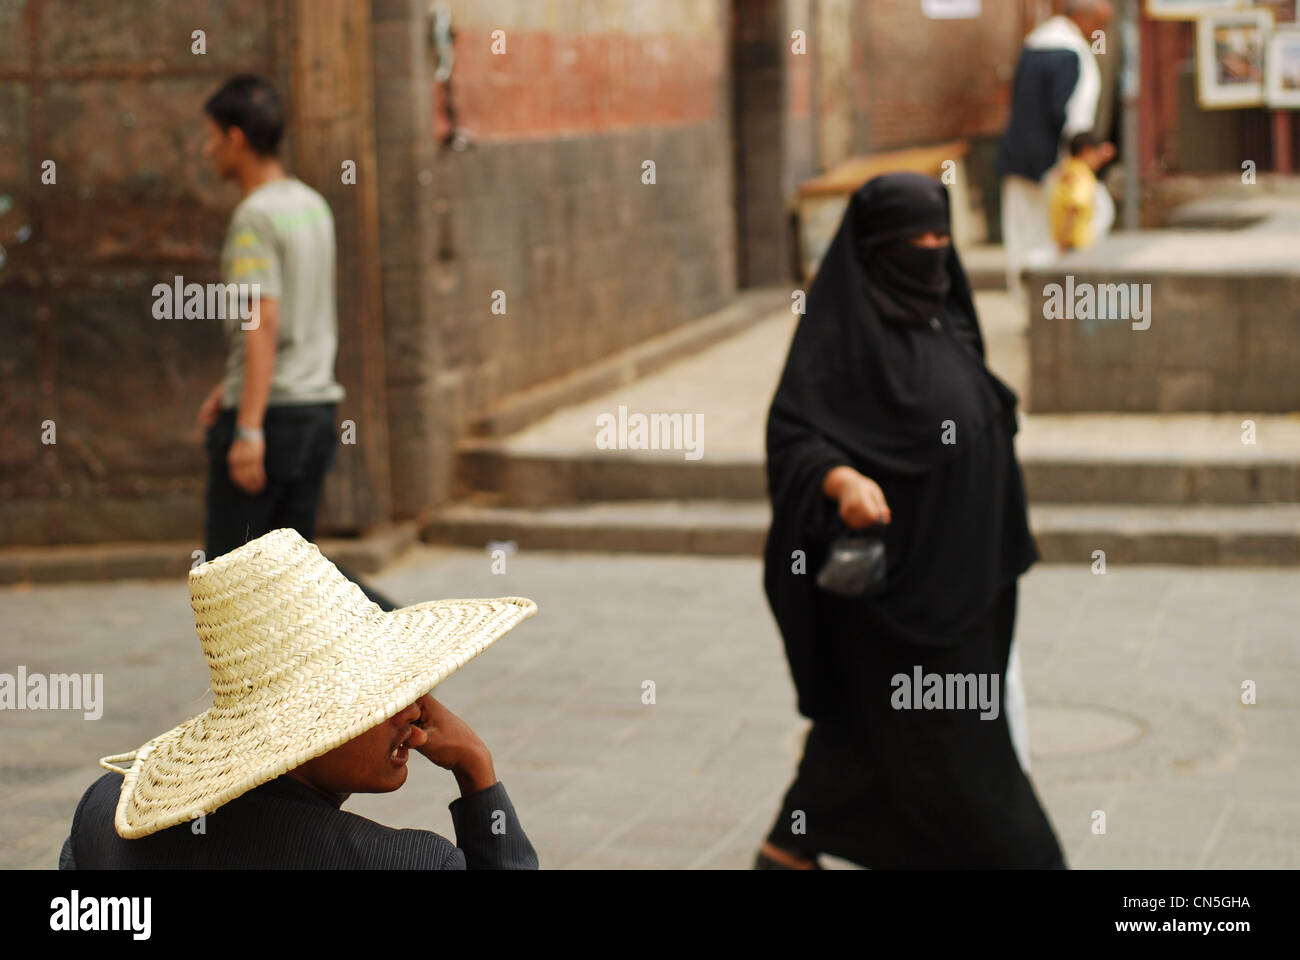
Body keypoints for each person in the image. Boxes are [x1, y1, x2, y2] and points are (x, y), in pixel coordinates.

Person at [757, 173, 1065, 870]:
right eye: (911, 241)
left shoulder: (947, 317)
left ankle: (788, 850)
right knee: (985, 798)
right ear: (872, 248)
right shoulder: (841, 337)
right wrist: (842, 480)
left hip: (972, 591)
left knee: (863, 742)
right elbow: (793, 435)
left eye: (940, 236)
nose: (930, 251)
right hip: (904, 613)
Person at [59, 528, 539, 869]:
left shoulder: (105, 814)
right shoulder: (406, 862)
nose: (415, 710)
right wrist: (477, 768)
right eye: (382, 692)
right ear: (308, 726)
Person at [196, 74, 394, 609]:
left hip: (274, 421)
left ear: (237, 138)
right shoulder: (311, 205)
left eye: (212, 136)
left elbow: (263, 320)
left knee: (234, 581)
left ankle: (391, 626)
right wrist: (230, 386)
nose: (207, 148)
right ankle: (371, 654)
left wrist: (249, 427)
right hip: (314, 413)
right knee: (294, 574)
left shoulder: (253, 219)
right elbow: (294, 316)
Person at [996, 0, 1113, 293]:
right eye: (1100, 24)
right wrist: (1084, 161)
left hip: (1018, 159)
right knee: (1093, 216)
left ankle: (1028, 306)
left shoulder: (1033, 45)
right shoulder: (1073, 54)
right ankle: (1060, 305)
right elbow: (1072, 117)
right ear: (1083, 18)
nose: (1099, 32)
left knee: (1024, 236)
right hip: (1056, 164)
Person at [1049, 131, 1117, 252]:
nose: (1098, 159)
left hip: (1068, 242)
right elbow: (1073, 208)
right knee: (1071, 271)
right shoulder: (1082, 176)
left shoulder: (1068, 169)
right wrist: (1063, 245)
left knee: (1068, 271)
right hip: (1076, 245)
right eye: (1096, 153)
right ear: (1087, 152)